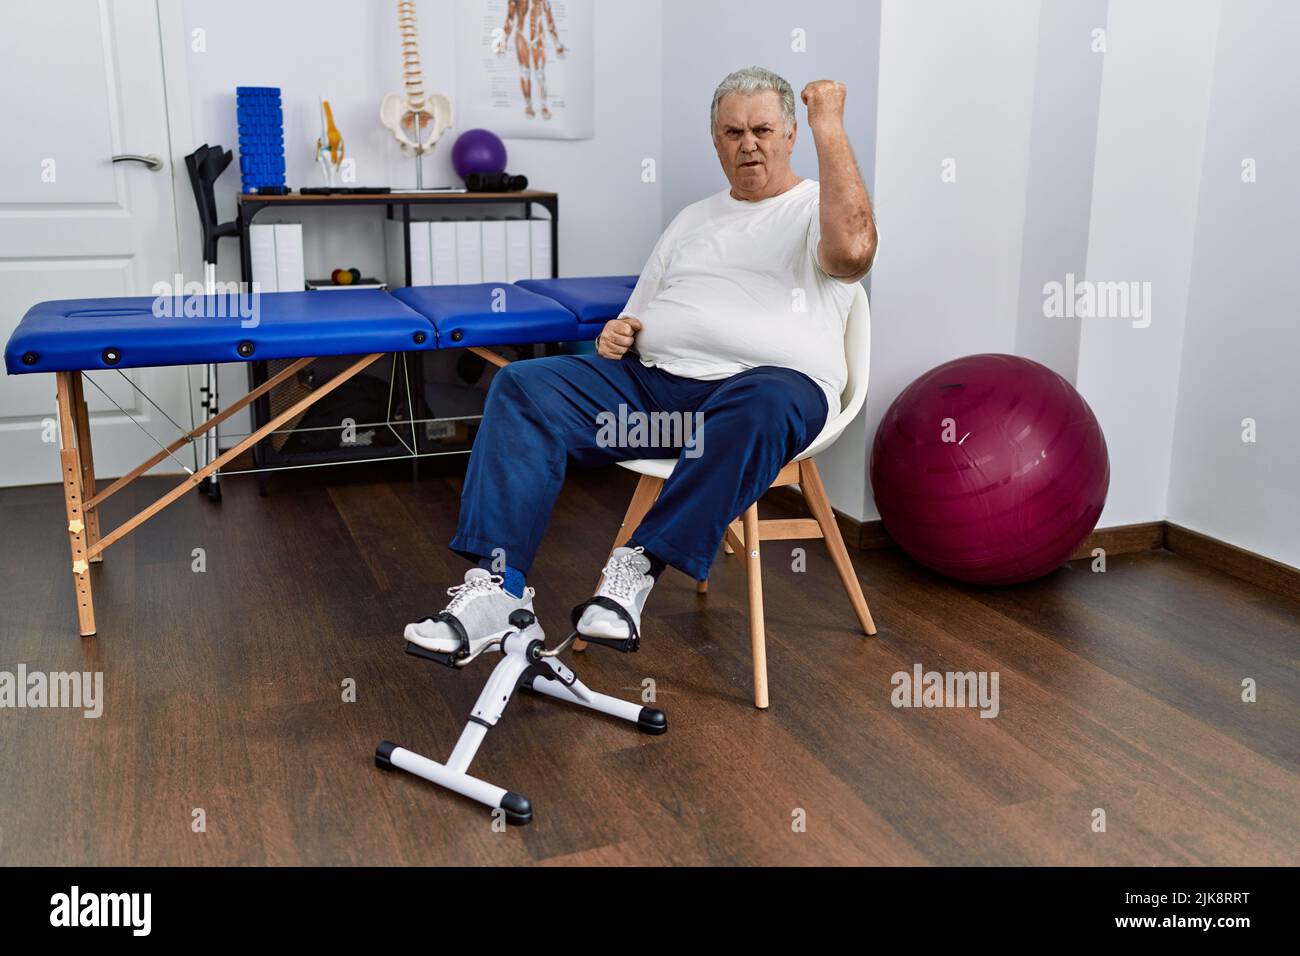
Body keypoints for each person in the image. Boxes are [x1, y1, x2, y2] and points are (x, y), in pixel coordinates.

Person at [405, 65, 878, 655]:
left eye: (761, 129)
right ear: (715, 141)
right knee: (523, 387)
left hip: (761, 403)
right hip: (663, 409)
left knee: (764, 398)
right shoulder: (692, 220)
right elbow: (635, 317)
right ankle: (499, 592)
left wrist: (828, 122)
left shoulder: (816, 209)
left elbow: (854, 252)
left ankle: (636, 571)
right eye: (732, 133)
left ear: (789, 135)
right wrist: (619, 335)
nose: (748, 144)